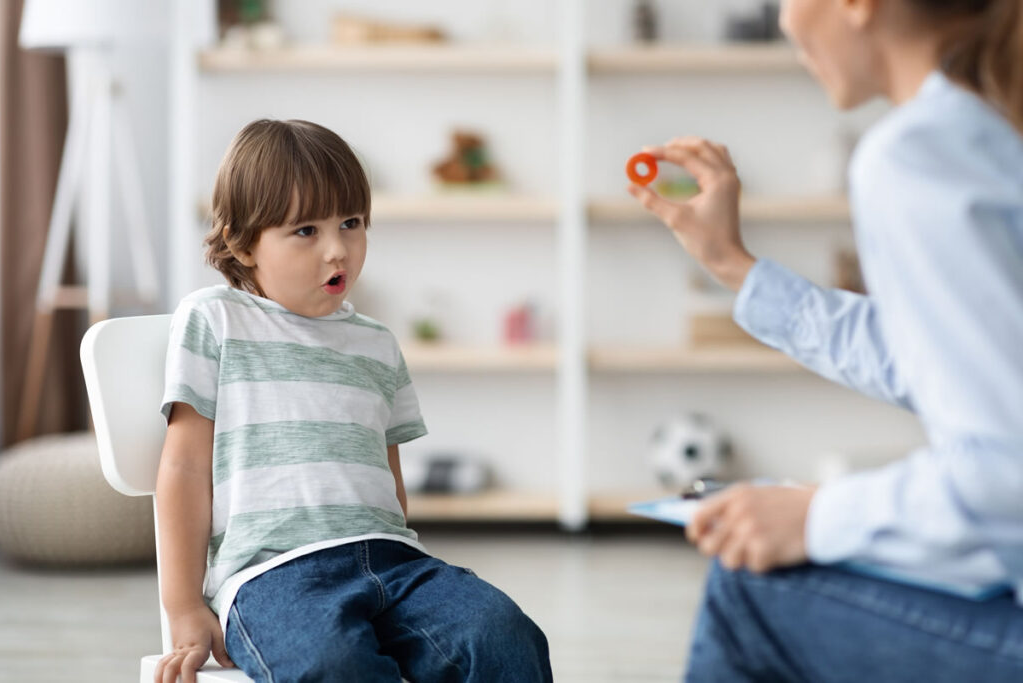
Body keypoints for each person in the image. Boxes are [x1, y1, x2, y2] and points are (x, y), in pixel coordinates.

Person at [628, 0, 1023, 681]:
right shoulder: (988, 127)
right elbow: (933, 356)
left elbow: (1003, 472)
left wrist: (816, 515)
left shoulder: (918, 154)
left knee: (750, 593)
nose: (783, 21)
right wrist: (732, 263)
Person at [154, 119, 552, 683]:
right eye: (305, 232)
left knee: (503, 633)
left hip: (394, 560)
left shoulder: (377, 344)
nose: (338, 250)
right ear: (244, 243)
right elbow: (184, 466)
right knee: (334, 664)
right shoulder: (214, 319)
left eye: (351, 223)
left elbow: (388, 476)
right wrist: (184, 606)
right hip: (273, 574)